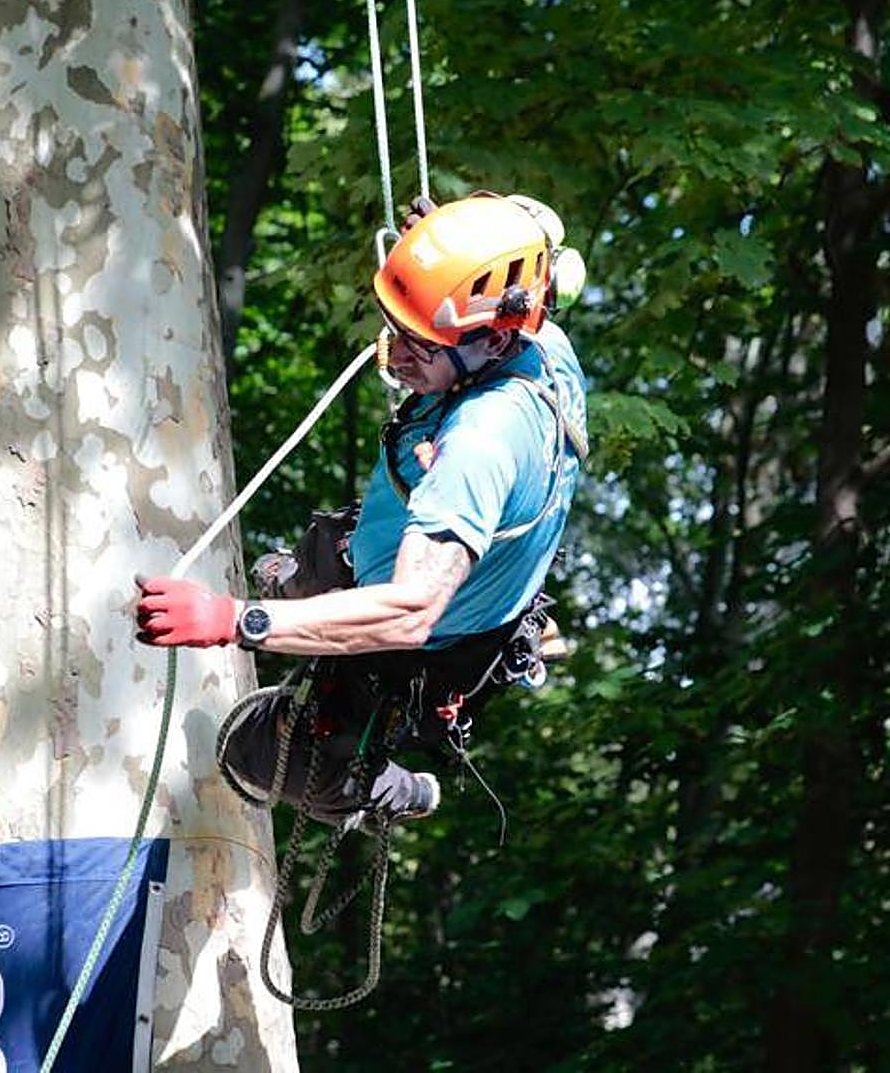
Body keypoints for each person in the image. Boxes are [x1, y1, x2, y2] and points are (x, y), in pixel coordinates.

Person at [135, 191, 589, 830]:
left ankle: (397, 790)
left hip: (424, 641)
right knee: (309, 567)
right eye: (397, 330)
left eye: (420, 344)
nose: (395, 357)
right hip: (384, 545)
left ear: (496, 335)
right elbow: (530, 227)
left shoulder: (482, 444)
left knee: (257, 756)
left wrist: (233, 620)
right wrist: (437, 252)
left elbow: (407, 615)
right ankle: (302, 583)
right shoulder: (538, 339)